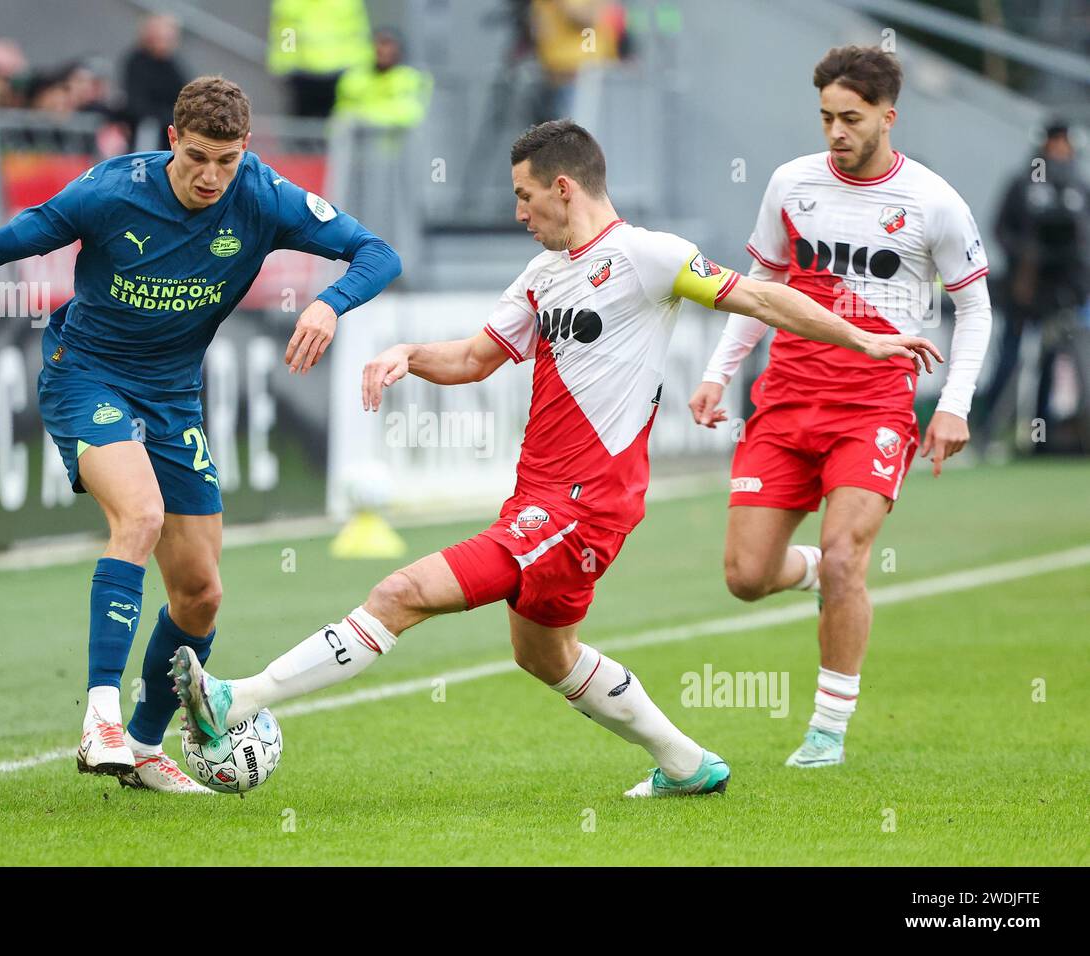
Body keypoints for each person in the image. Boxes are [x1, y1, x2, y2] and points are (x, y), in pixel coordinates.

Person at [172, 119, 942, 798]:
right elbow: (476, 357)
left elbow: (764, 298)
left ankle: (234, 700)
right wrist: (407, 352)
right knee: (543, 654)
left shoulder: (648, 256)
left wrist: (865, 338)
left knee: (401, 591)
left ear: (564, 188)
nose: (517, 212)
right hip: (537, 498)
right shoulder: (542, 275)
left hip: (585, 501)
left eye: (524, 196)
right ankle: (686, 763)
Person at [0, 75, 402, 793]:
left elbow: (378, 252)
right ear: (170, 140)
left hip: (172, 399)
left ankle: (140, 745)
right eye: (197, 157)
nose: (211, 176)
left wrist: (328, 302)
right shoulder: (109, 192)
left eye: (226, 160)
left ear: (245, 150)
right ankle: (99, 712)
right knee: (140, 514)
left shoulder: (264, 196)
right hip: (86, 376)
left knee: (201, 595)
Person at [687, 45, 993, 768]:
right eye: (825, 116)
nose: (835, 132)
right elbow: (757, 285)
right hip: (786, 403)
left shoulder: (934, 201)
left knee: (847, 551)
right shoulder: (790, 184)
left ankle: (826, 731)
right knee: (745, 578)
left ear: (889, 115)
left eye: (850, 118)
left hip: (874, 409)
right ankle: (819, 573)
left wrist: (954, 405)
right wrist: (715, 373)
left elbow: (975, 309)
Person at [976, 119, 1089, 450]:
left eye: (1064, 144)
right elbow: (1000, 229)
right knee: (1010, 359)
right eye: (1053, 144)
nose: (1058, 151)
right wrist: (1025, 255)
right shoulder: (1023, 184)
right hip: (1024, 288)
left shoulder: (1078, 188)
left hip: (1061, 291)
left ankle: (1041, 439)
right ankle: (986, 433)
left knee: (1050, 364)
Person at [332, 28, 432, 129]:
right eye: (380, 46)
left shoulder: (411, 78)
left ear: (398, 51)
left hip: (397, 138)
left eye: (389, 46)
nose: (385, 51)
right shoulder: (353, 77)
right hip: (360, 138)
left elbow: (409, 113)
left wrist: (367, 117)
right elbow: (343, 112)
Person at [121, 13, 187, 151]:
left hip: (166, 129)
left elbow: (184, 94)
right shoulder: (137, 62)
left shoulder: (173, 65)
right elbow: (137, 102)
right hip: (144, 131)